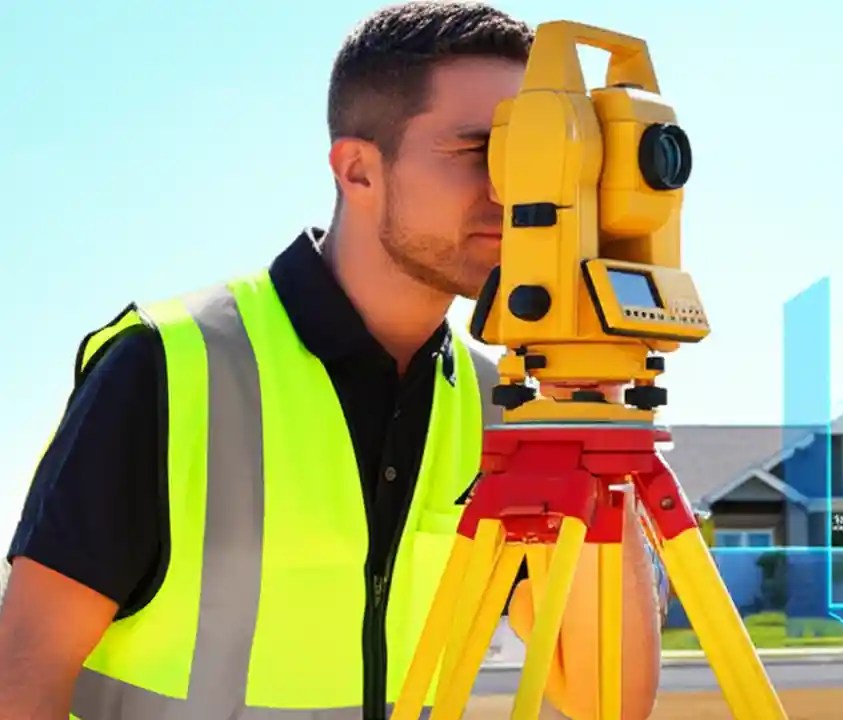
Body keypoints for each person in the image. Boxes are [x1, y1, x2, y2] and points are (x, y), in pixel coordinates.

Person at [0, 2, 667, 719]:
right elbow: (22, 676)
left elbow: (609, 699)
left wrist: (591, 415)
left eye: (539, 156)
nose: (513, 191)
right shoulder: (169, 365)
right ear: (357, 169)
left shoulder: (499, 403)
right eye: (480, 152)